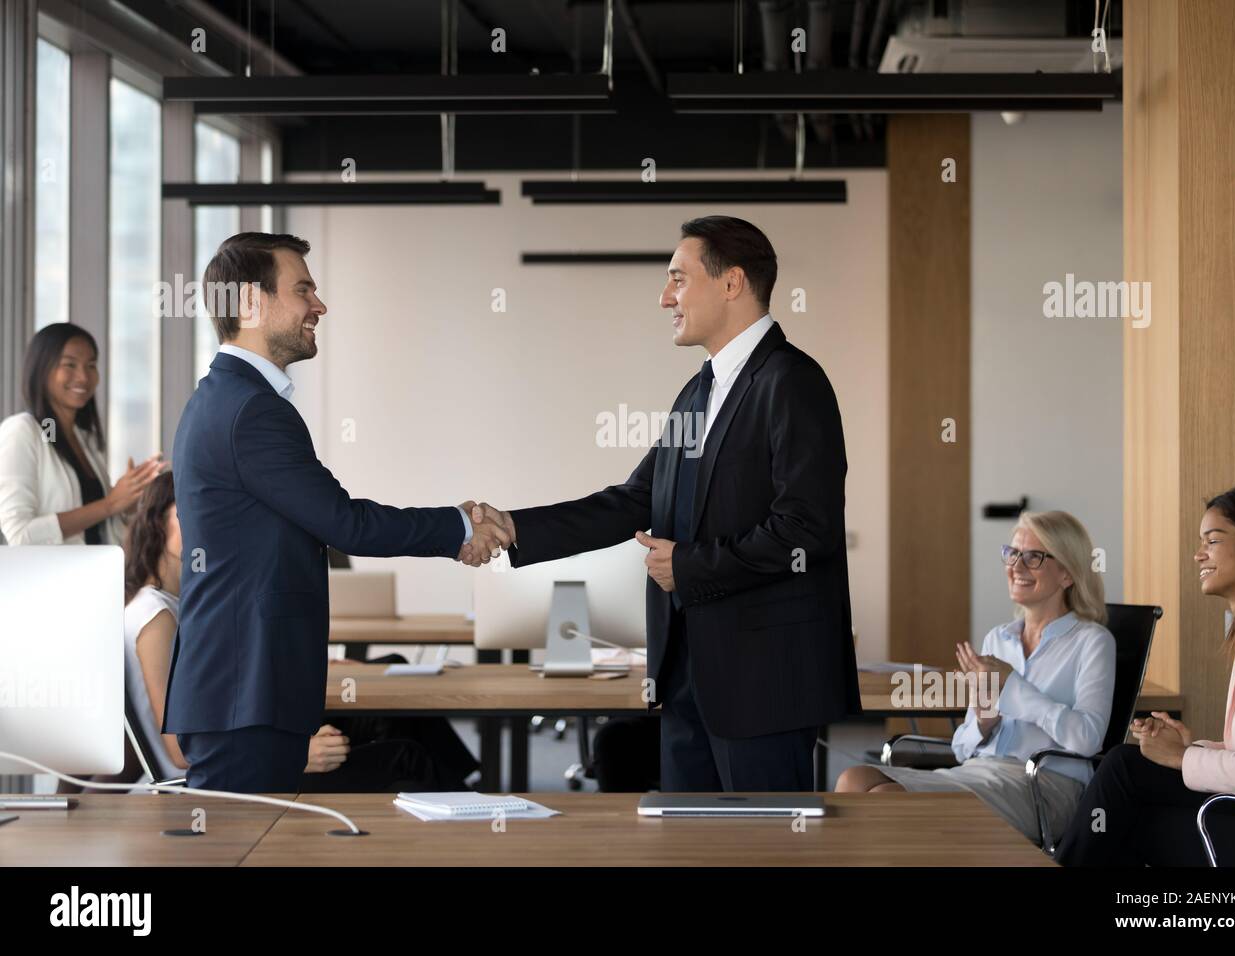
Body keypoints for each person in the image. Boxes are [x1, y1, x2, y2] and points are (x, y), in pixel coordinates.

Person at [471, 216, 861, 792]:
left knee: (764, 853)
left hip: (764, 680)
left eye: (678, 279)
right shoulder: (698, 391)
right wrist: (514, 528)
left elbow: (807, 530)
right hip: (684, 672)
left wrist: (688, 566)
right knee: (689, 845)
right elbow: (634, 500)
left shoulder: (793, 382)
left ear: (731, 283)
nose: (665, 298)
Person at [163, 232, 511, 793]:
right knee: (246, 851)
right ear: (250, 302)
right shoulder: (251, 410)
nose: (318, 306)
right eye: (303, 290)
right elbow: (345, 523)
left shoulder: (227, 400)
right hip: (244, 693)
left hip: (243, 691)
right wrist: (462, 524)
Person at [124, 471, 440, 792]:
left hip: (243, 758)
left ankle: (469, 797)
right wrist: (293, 755)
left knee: (393, 723)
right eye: (189, 511)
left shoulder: (182, 602)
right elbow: (180, 749)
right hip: (223, 782)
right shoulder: (155, 616)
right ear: (156, 523)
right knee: (404, 757)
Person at [836, 510, 1115, 844]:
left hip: (1044, 787)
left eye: (1034, 557)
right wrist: (983, 722)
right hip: (979, 773)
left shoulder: (1092, 641)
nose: (1016, 566)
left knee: (887, 803)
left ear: (1068, 573)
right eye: (1012, 554)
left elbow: (1088, 739)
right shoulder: (999, 639)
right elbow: (962, 749)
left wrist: (1013, 689)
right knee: (854, 780)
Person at [1057, 484, 1235, 865]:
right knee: (1122, 794)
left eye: (1213, 540)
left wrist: (1181, 759)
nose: (1198, 553)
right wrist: (1191, 750)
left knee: (1122, 780)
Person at [0, 323, 163, 546]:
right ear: (41, 368)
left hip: (95, 577)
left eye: (91, 365)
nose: (83, 377)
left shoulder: (84, 439)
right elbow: (19, 534)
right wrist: (110, 504)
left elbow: (100, 529)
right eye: (70, 365)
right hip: (51, 579)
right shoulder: (21, 431)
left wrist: (127, 503)